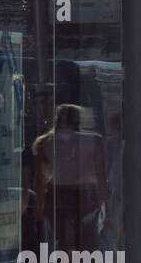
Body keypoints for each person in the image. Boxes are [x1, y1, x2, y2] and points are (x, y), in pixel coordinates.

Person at [32, 104, 108, 253]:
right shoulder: (94, 140)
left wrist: (39, 204)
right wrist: (107, 206)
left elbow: (40, 177)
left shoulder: (45, 142)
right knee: (87, 242)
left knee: (63, 243)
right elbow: (100, 175)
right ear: (79, 120)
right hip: (86, 195)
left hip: (58, 194)